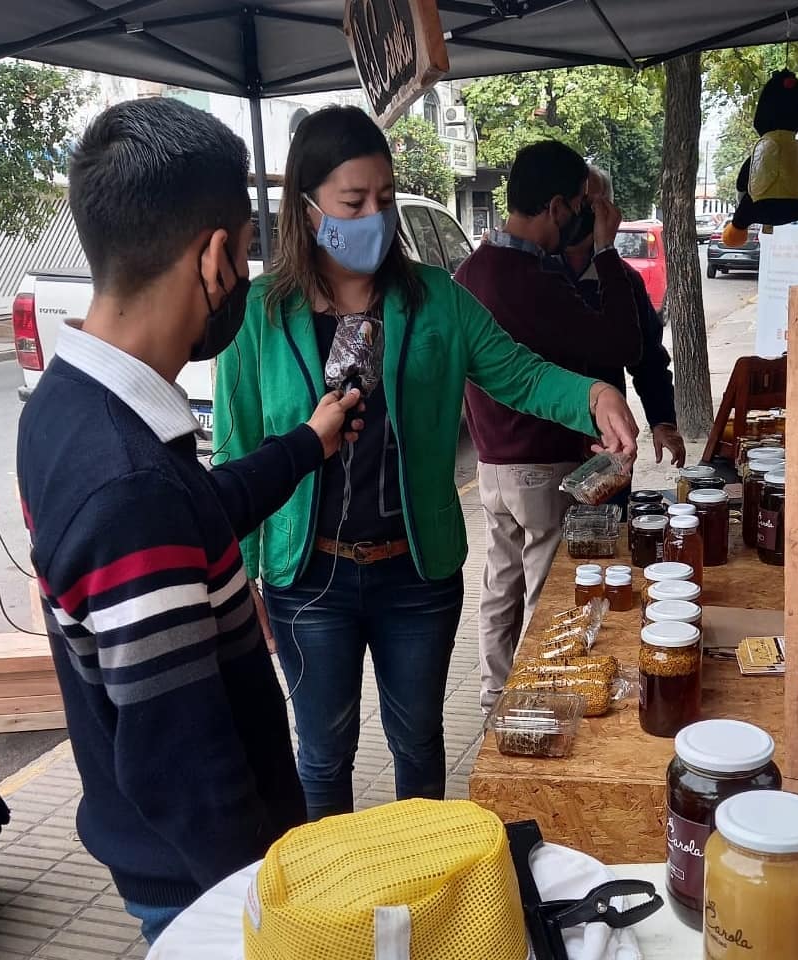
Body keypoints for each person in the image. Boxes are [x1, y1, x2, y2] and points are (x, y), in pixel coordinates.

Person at [213, 107, 638, 821]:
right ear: (311, 211)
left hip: (415, 571)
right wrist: (238, 579)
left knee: (417, 745)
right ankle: (335, 904)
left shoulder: (436, 301)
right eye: (355, 202)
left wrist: (593, 395)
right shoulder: (260, 313)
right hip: (305, 574)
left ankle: (427, 892)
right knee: (322, 753)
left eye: (384, 196)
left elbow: (522, 375)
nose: (375, 215)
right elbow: (238, 451)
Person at [15, 98, 366, 945]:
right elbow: (182, 757)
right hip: (208, 887)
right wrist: (269, 912)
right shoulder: (130, 485)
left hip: (165, 858)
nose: (244, 275)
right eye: (246, 253)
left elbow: (197, 518)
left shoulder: (66, 407)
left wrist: (305, 446)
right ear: (214, 258)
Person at [455, 140, 643, 712]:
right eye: (584, 205)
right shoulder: (534, 280)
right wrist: (606, 253)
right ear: (558, 207)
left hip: (492, 466)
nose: (588, 216)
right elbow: (620, 342)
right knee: (546, 595)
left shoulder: (471, 271)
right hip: (542, 467)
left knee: (500, 586)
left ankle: (494, 702)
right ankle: (537, 710)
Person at [563, 166, 686, 470]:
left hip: (608, 442)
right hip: (547, 445)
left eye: (589, 203)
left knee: (611, 516)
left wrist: (662, 421)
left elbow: (648, 359)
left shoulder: (622, 280)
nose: (579, 211)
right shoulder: (537, 273)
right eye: (575, 201)